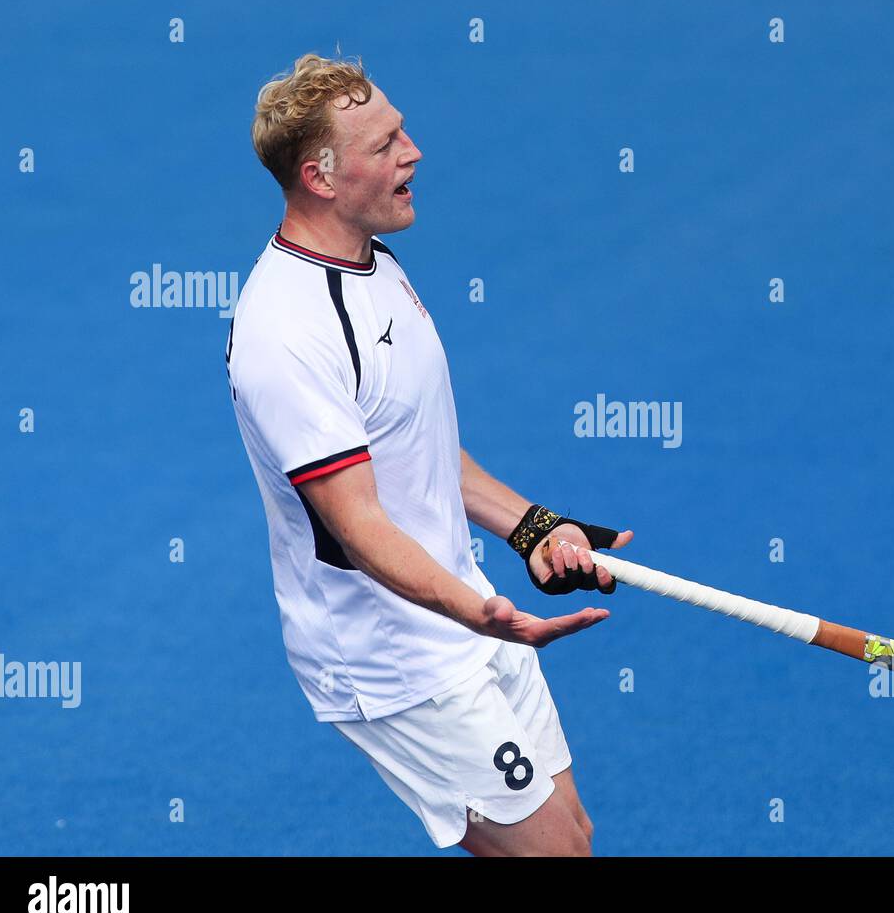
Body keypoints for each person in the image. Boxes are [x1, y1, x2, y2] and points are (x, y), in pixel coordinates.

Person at [225, 53, 632, 856]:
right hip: (391, 657)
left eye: (402, 130)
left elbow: (421, 449)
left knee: (571, 840)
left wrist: (531, 526)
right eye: (385, 145)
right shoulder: (288, 333)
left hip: (458, 606)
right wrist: (474, 611)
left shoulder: (375, 264)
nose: (413, 153)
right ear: (321, 177)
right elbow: (357, 528)